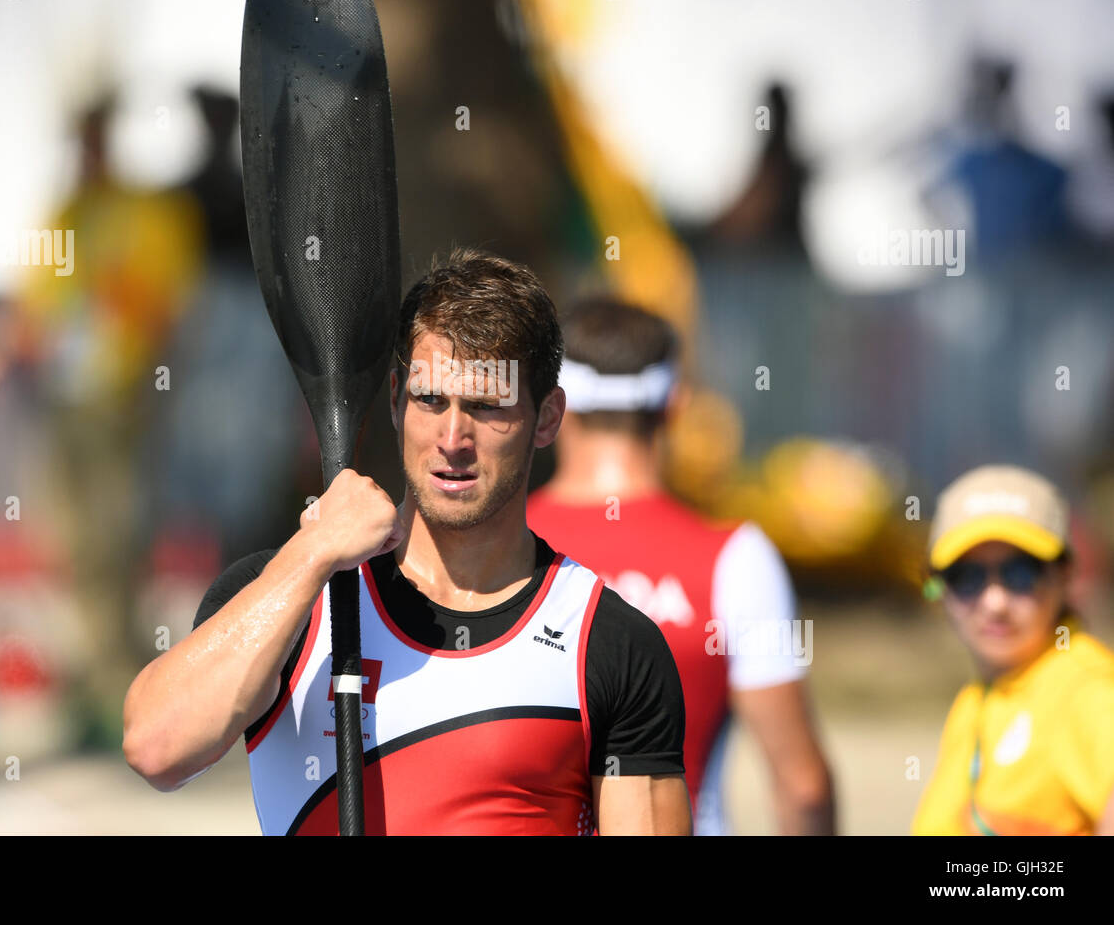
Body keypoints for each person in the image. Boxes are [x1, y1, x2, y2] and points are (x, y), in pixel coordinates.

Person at [122, 247, 690, 835]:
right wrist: (312, 551)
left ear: (547, 418)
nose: (452, 437)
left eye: (485, 405)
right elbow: (156, 748)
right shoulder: (291, 596)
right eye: (429, 399)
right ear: (395, 398)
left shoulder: (611, 643)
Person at [526, 296, 835, 834]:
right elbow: (803, 787)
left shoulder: (498, 543)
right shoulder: (736, 557)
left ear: (556, 403)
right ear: (677, 405)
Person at [912, 464, 1114, 835]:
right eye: (966, 577)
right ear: (938, 588)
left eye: (1021, 573)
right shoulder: (976, 698)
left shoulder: (1084, 689)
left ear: (1066, 574)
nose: (995, 602)